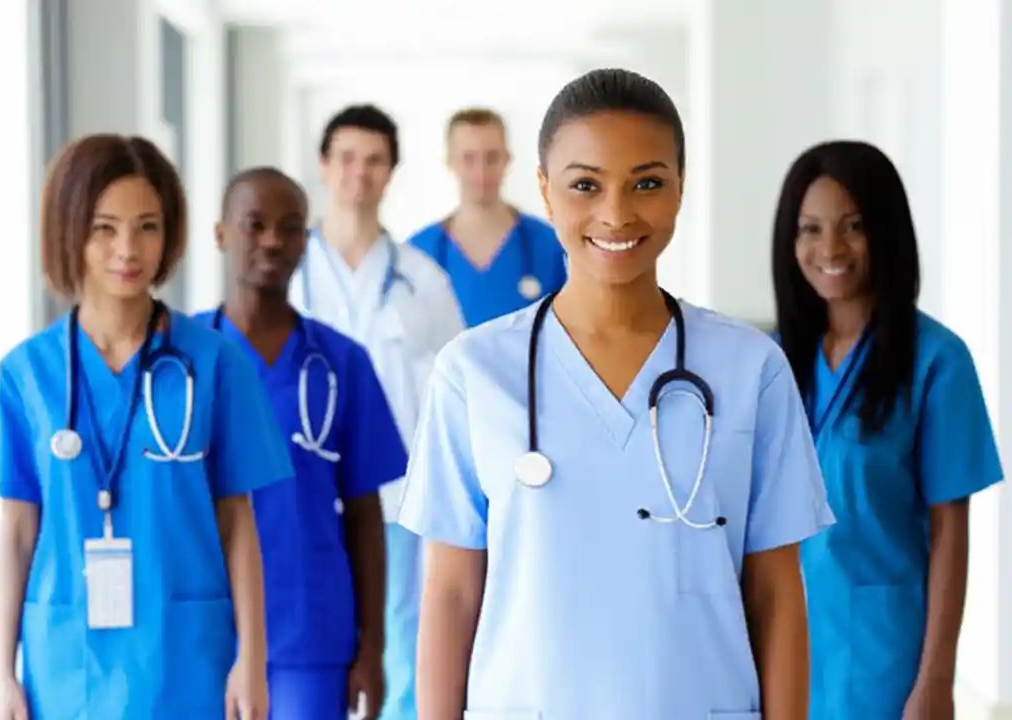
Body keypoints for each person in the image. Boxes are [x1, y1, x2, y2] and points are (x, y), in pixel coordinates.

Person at [398, 68, 835, 720]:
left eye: (648, 183)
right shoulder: (474, 374)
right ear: (545, 193)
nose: (616, 213)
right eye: (585, 185)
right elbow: (451, 594)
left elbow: (776, 592)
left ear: (681, 188)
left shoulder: (752, 371)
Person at [0, 134, 292, 720]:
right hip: (66, 664)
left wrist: (252, 658)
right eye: (104, 228)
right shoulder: (27, 375)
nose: (128, 249)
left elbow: (237, 520)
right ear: (70, 232)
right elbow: (17, 532)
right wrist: (0, 676)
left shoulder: (213, 364)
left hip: (185, 657)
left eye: (147, 226)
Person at [770, 140, 1004, 719]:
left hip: (881, 656)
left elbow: (950, 531)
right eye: (810, 228)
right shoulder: (771, 363)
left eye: (854, 226)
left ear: (887, 233)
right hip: (780, 646)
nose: (830, 249)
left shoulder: (936, 361)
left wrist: (936, 679)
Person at [202, 166, 409, 719]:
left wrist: (373, 647)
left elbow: (365, 515)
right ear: (221, 233)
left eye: (289, 227)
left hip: (311, 633)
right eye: (255, 225)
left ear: (306, 239)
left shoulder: (341, 362)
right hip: (204, 630)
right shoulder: (184, 362)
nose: (272, 240)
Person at [290, 104, 465, 720]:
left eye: (373, 161)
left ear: (391, 172)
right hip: (301, 494)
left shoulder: (424, 280)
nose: (358, 174)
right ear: (323, 165)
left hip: (397, 497)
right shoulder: (287, 272)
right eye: (346, 159)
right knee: (305, 641)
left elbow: (456, 396)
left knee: (400, 639)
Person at [408, 108, 567, 327]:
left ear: (507, 159)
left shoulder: (550, 246)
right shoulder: (419, 253)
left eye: (491, 157)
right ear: (450, 161)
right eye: (468, 158)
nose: (481, 171)